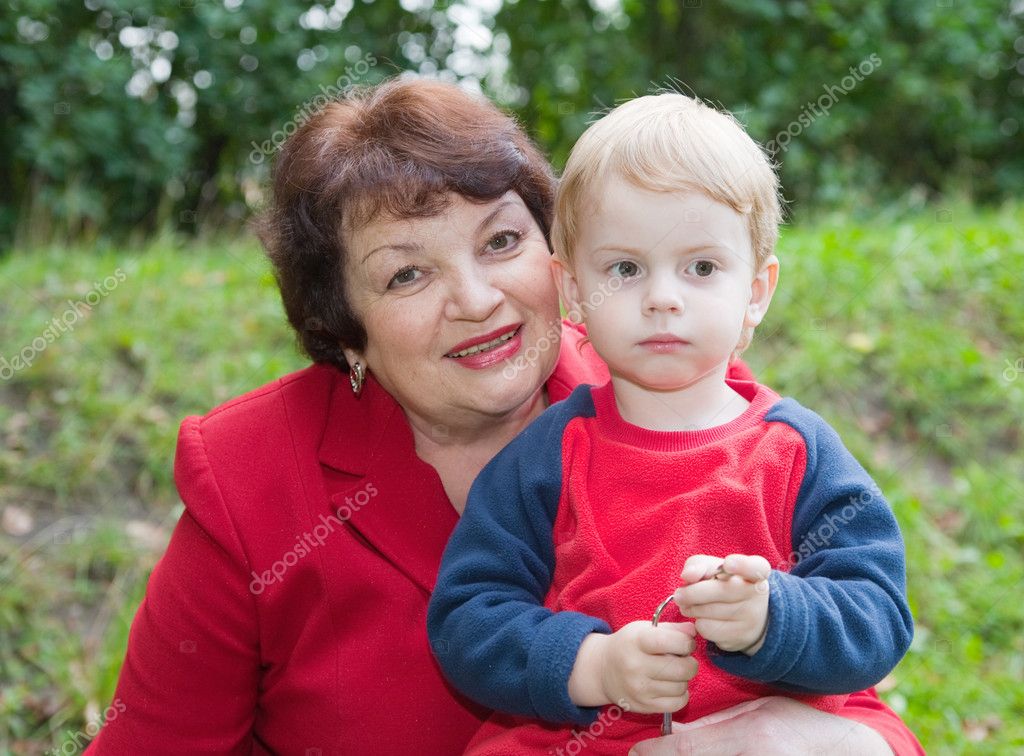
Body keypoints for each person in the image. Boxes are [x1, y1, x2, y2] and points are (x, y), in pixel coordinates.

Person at [86, 78, 921, 755]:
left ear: (558, 263)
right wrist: (592, 665)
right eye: (407, 275)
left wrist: (803, 738)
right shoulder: (249, 476)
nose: (477, 301)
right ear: (346, 329)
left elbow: (853, 672)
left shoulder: (678, 391)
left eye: (499, 242)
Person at [426, 92, 914, 755]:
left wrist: (775, 617)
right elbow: (467, 618)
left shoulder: (796, 452)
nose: (662, 298)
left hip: (770, 735)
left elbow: (878, 615)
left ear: (756, 293)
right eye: (625, 269)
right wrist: (591, 665)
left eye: (702, 267)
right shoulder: (545, 457)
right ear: (573, 292)